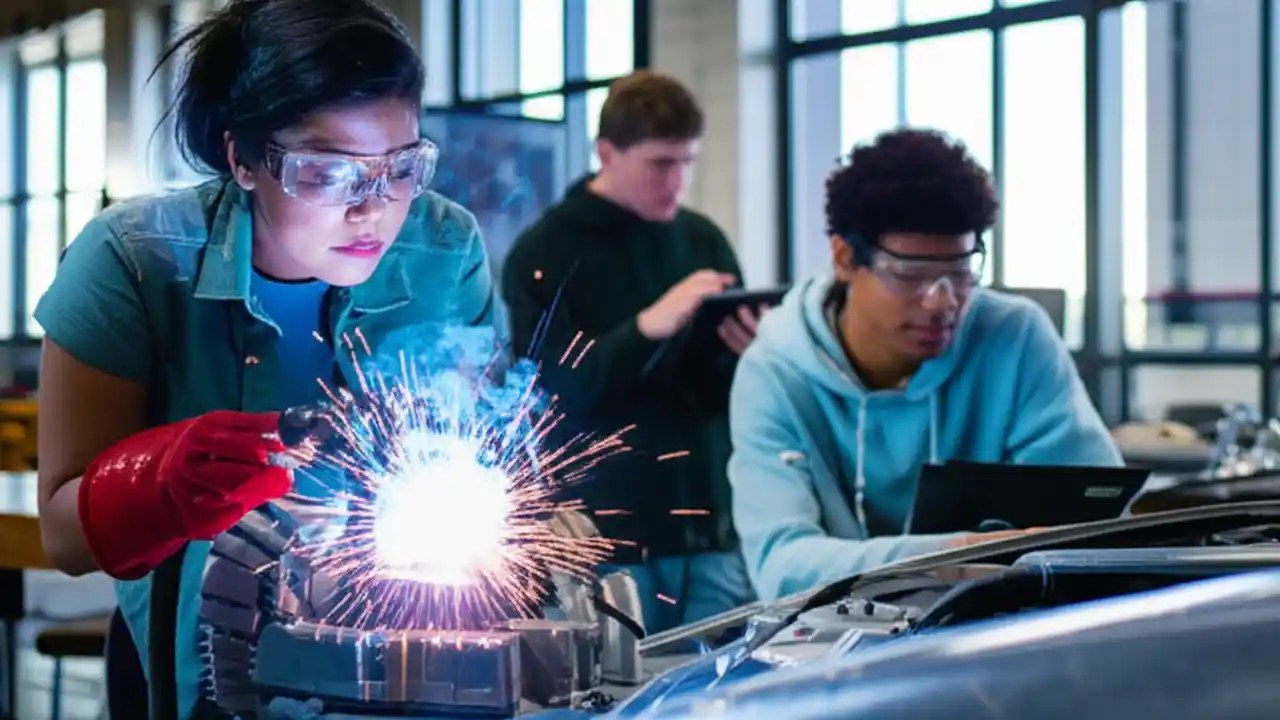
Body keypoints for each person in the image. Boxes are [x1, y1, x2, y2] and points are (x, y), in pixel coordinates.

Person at [34, 1, 497, 717]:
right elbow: (64, 536)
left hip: (408, 657)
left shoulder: (444, 248)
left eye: (400, 168)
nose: (372, 208)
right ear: (242, 158)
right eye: (326, 172)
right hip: (207, 673)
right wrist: (164, 479)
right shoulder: (134, 258)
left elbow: (483, 435)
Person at [728, 129, 1123, 601]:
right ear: (844, 257)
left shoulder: (1015, 338)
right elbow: (780, 565)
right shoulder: (774, 372)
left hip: (1003, 629)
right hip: (830, 647)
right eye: (912, 276)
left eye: (960, 272)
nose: (942, 302)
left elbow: (1097, 526)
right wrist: (951, 559)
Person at [501, 70, 759, 633]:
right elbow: (556, 393)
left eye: (686, 162)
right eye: (661, 164)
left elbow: (713, 395)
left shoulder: (703, 240)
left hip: (712, 528)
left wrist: (746, 354)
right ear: (607, 153)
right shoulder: (544, 252)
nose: (677, 181)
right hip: (608, 536)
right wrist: (648, 326)